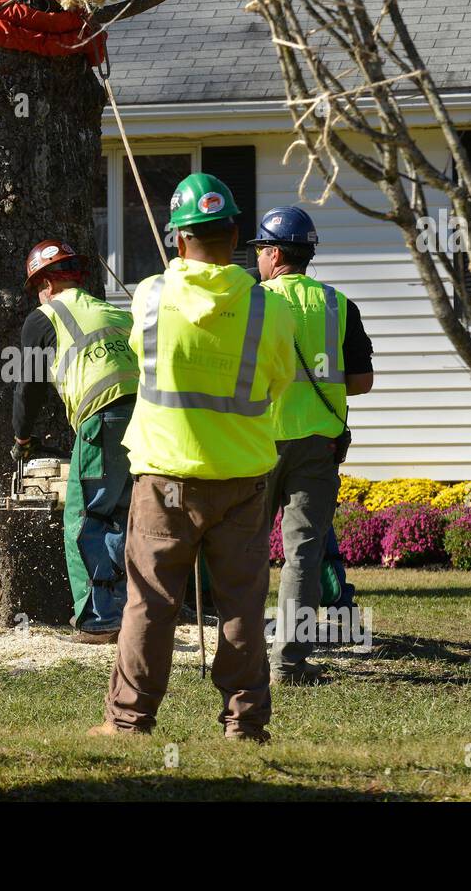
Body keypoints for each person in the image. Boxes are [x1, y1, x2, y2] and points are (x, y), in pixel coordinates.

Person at [90, 173, 295, 742]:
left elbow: (141, 357)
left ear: (178, 239)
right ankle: (245, 724)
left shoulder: (151, 295)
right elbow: (275, 384)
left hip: (165, 479)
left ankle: (129, 722)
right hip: (244, 479)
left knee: (150, 604)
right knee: (243, 605)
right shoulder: (269, 309)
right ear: (235, 235)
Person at [254, 207, 374, 683]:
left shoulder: (251, 302)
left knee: (245, 551)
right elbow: (362, 381)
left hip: (257, 443)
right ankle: (288, 664)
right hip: (319, 445)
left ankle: (240, 658)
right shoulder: (337, 304)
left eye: (261, 250)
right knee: (302, 554)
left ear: (276, 253)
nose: (258, 259)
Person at [13, 239, 139, 642]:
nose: (39, 295)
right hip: (147, 421)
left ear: (47, 281)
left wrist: (22, 437)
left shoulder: (43, 316)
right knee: (117, 517)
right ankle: (121, 612)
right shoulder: (113, 311)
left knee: (83, 517)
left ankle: (98, 621)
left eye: (37, 288)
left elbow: (28, 386)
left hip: (102, 419)